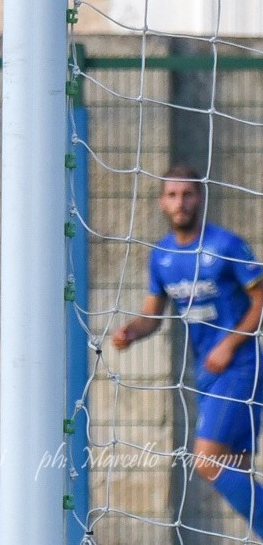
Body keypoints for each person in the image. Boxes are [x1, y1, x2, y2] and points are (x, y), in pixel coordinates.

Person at [112, 163, 263, 536]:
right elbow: (153, 315)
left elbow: (261, 300)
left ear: (201, 197)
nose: (181, 202)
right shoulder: (160, 256)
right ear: (162, 203)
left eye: (188, 194)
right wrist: (131, 332)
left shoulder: (225, 245)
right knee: (234, 465)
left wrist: (230, 343)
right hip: (206, 371)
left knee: (206, 459)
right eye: (173, 195)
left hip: (241, 366)